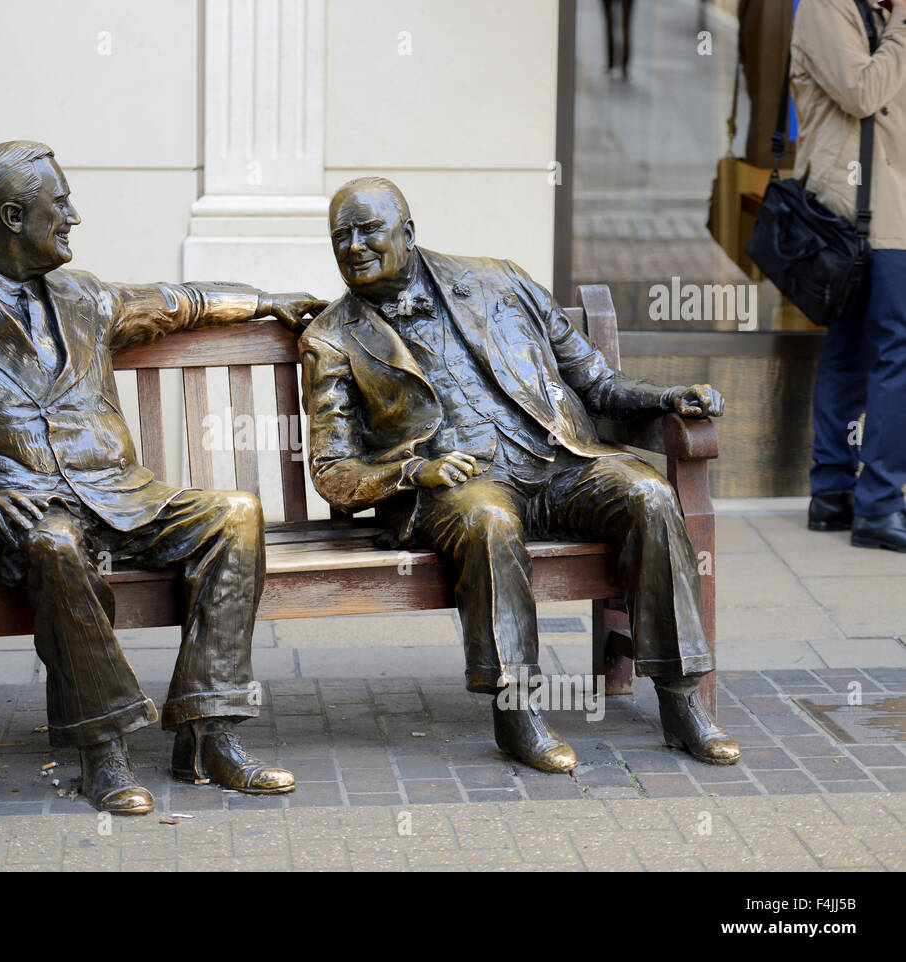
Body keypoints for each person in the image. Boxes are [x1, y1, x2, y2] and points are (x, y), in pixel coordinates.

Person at [0, 140, 325, 814]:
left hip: (117, 496)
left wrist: (266, 300)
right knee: (54, 543)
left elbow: (180, 302)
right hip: (12, 518)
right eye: (61, 204)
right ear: (14, 216)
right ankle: (103, 753)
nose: (74, 216)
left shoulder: (84, 297)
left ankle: (209, 733)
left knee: (236, 514)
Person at [298, 177, 740, 774]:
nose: (352, 246)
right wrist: (415, 471)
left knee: (649, 494)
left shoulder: (499, 280)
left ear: (406, 230)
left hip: (557, 465)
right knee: (488, 518)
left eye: (367, 229)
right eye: (339, 236)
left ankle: (682, 700)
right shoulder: (331, 337)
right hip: (455, 490)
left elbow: (595, 382)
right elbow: (332, 471)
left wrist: (667, 396)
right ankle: (518, 711)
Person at [793, 0, 906, 550]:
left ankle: (833, 494)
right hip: (862, 214)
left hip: (885, 209)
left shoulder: (882, 15)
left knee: (853, 348)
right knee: (893, 350)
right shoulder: (826, 6)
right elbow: (862, 92)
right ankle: (880, 505)